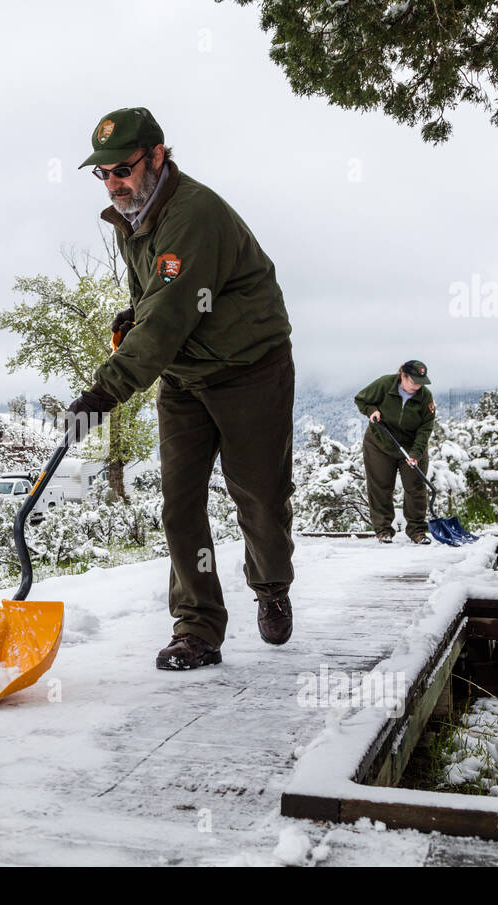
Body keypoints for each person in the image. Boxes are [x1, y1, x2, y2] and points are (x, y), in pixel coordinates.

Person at [63, 107, 295, 671]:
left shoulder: (194, 215)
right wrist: (133, 313)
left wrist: (103, 395)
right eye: (104, 172)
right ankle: (197, 627)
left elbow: (168, 318)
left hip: (250, 370)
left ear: (159, 156)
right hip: (185, 378)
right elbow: (160, 302)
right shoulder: (133, 218)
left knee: (259, 496)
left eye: (124, 168)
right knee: (180, 505)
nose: (114, 182)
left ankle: (270, 587)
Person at [354, 360, 437, 544]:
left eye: (420, 382)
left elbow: (426, 427)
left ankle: (417, 531)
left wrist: (416, 453)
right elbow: (361, 399)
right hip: (380, 442)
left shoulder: (425, 396)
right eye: (413, 381)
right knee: (380, 486)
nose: (417, 386)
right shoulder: (385, 384)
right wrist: (372, 410)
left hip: (411, 446)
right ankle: (383, 530)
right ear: (403, 375)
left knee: (415, 486)